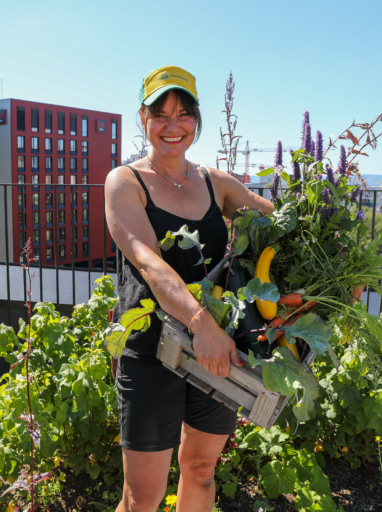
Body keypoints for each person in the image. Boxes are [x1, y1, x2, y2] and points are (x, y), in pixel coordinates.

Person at [105, 66, 273, 512]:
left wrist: (342, 267)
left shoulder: (217, 184)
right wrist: (201, 322)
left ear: (196, 120)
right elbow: (149, 263)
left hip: (217, 353)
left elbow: (281, 228)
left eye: (182, 114)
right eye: (160, 114)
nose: (172, 126)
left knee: (200, 470)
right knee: (143, 496)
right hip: (152, 348)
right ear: (143, 119)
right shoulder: (125, 183)